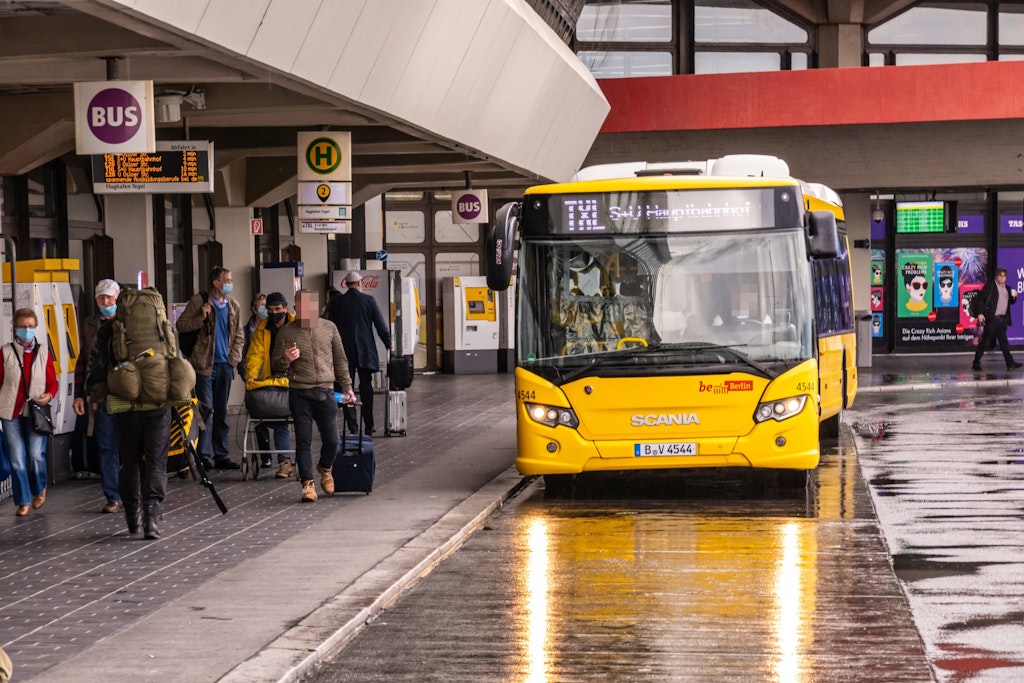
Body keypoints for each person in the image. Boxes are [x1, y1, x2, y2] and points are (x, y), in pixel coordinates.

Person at [86, 290, 175, 539]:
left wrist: (96, 394)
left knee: (130, 462)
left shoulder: (111, 330)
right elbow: (173, 357)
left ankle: (131, 516)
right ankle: (151, 516)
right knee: (156, 460)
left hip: (126, 405)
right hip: (158, 403)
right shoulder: (161, 326)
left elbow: (97, 366)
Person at [272, 289, 355, 503]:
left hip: (326, 389)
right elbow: (275, 366)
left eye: (311, 307)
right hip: (299, 391)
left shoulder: (329, 328)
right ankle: (307, 484)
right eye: (302, 306)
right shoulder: (287, 332)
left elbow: (340, 359)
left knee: (332, 440)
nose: (307, 310)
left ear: (317, 308)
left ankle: (325, 467)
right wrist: (286, 359)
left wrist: (347, 387)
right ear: (296, 308)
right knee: (303, 440)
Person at [176, 266, 244, 469]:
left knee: (221, 412)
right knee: (206, 410)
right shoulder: (199, 301)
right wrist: (201, 318)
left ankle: (221, 454)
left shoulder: (233, 305)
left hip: (225, 365)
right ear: (216, 283)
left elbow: (239, 335)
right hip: (203, 365)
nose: (230, 283)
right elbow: (181, 325)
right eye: (228, 280)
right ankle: (204, 455)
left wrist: (234, 359)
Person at [0, 308, 59, 517]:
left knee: (35, 455)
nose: (27, 330)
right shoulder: (5, 352)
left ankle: (39, 487)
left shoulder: (43, 352)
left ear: (36, 328)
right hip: (11, 411)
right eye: (23, 326)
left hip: (35, 411)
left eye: (30, 327)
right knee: (16, 456)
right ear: (15, 328)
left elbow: (52, 382)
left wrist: (48, 396)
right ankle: (23, 500)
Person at [72, 278, 124, 514]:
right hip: (100, 393)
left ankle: (133, 491)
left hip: (126, 390)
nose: (106, 301)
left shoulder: (129, 320)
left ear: (118, 297)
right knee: (105, 445)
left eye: (109, 297)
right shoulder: (89, 324)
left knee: (130, 444)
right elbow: (83, 361)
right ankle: (113, 496)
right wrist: (79, 394)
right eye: (101, 298)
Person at [325, 272, 391, 435]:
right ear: (360, 283)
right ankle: (369, 424)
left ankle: (353, 426)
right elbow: (380, 326)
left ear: (346, 284)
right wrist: (389, 344)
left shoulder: (336, 302)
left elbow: (330, 328)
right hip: (365, 350)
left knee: (346, 388)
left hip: (343, 352)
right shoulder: (369, 301)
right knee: (366, 387)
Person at [244, 291, 295, 477]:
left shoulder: (295, 326)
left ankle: (285, 461)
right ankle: (281, 460)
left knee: (280, 418)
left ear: (286, 308)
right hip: (269, 379)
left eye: (278, 309)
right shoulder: (262, 329)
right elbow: (255, 355)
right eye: (270, 309)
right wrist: (251, 377)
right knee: (270, 416)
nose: (274, 313)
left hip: (290, 381)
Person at [972, 267, 1023, 371]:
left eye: (1004, 276)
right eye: (1000, 275)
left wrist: (1014, 297)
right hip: (992, 320)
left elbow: (1011, 303)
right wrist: (980, 313)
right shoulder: (991, 287)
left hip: (1002, 320)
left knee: (1004, 344)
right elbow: (980, 299)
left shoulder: (1007, 289)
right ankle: (976, 363)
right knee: (985, 342)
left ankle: (1010, 363)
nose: (1002, 278)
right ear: (996, 276)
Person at [239, 293, 267, 380]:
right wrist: (247, 375)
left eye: (266, 305)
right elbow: (240, 357)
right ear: (254, 310)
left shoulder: (272, 328)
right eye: (262, 306)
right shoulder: (245, 332)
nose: (266, 309)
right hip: (253, 378)